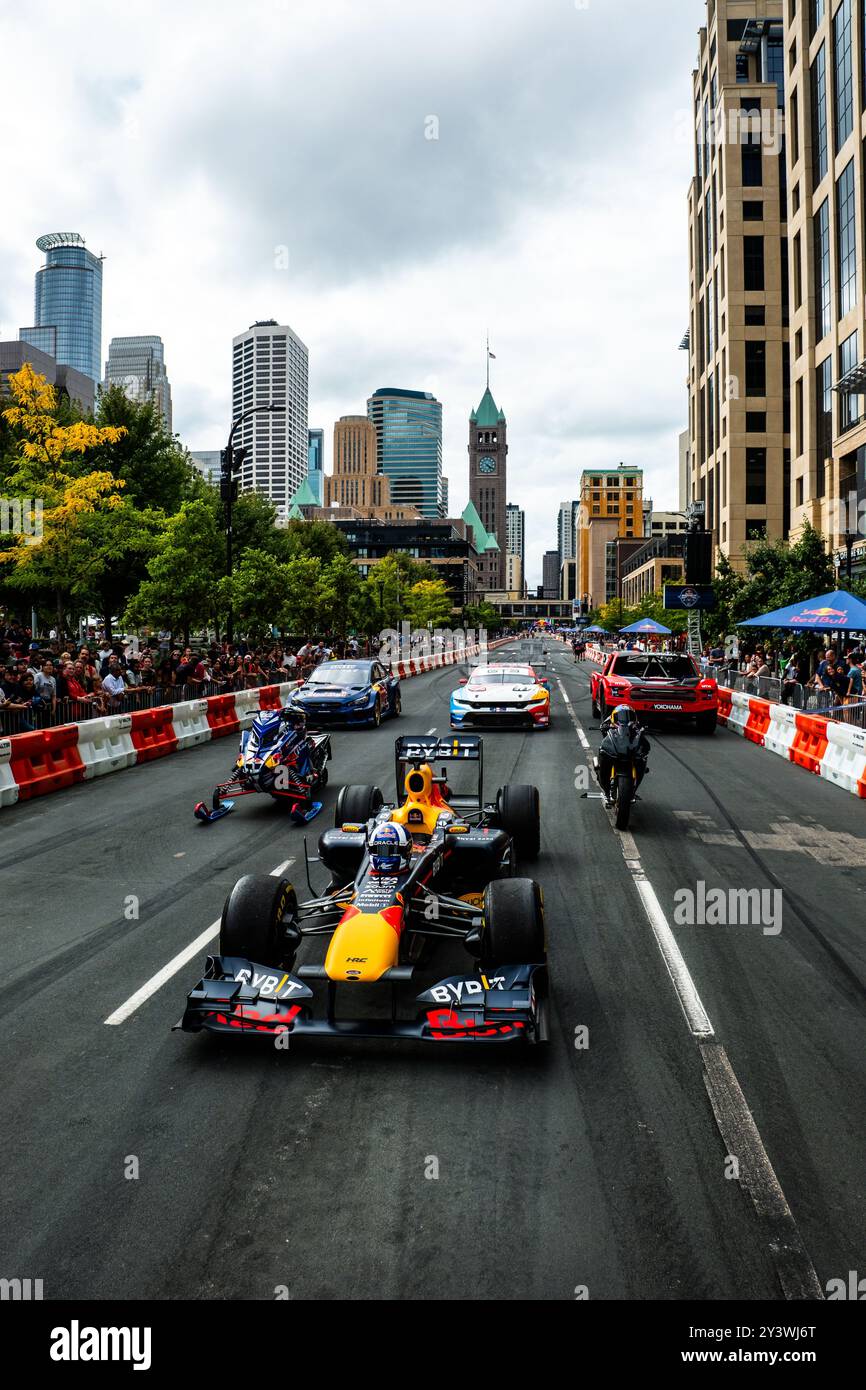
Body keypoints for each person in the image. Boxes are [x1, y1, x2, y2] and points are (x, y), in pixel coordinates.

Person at [596, 704, 650, 805]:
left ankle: (634, 784)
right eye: (620, 716)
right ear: (613, 717)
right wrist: (604, 727)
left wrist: (642, 732)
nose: (625, 719)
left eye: (629, 716)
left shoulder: (637, 724)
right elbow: (603, 728)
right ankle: (601, 770)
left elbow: (644, 738)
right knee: (603, 751)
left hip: (629, 747)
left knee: (643, 756)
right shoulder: (609, 721)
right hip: (616, 745)